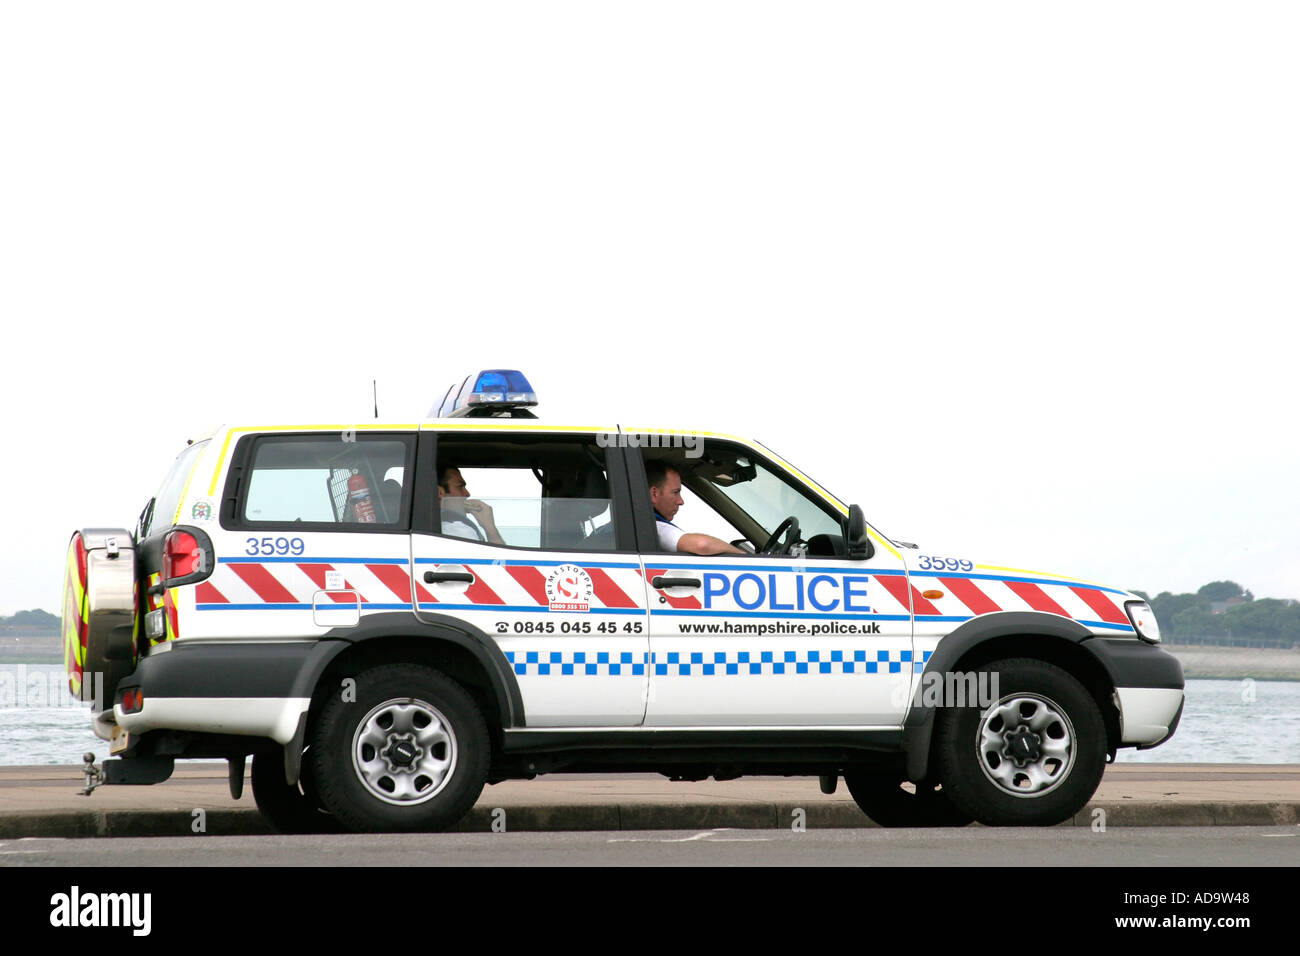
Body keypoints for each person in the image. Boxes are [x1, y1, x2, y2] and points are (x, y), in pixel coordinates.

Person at [646, 460, 744, 555]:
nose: (681, 501)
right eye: (675, 492)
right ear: (654, 493)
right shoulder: (655, 527)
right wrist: (742, 555)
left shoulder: (642, 526)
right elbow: (702, 544)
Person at [438, 466, 506, 544]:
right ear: (439, 492)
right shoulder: (456, 529)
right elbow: (497, 555)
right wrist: (490, 529)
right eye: (460, 487)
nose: (467, 494)